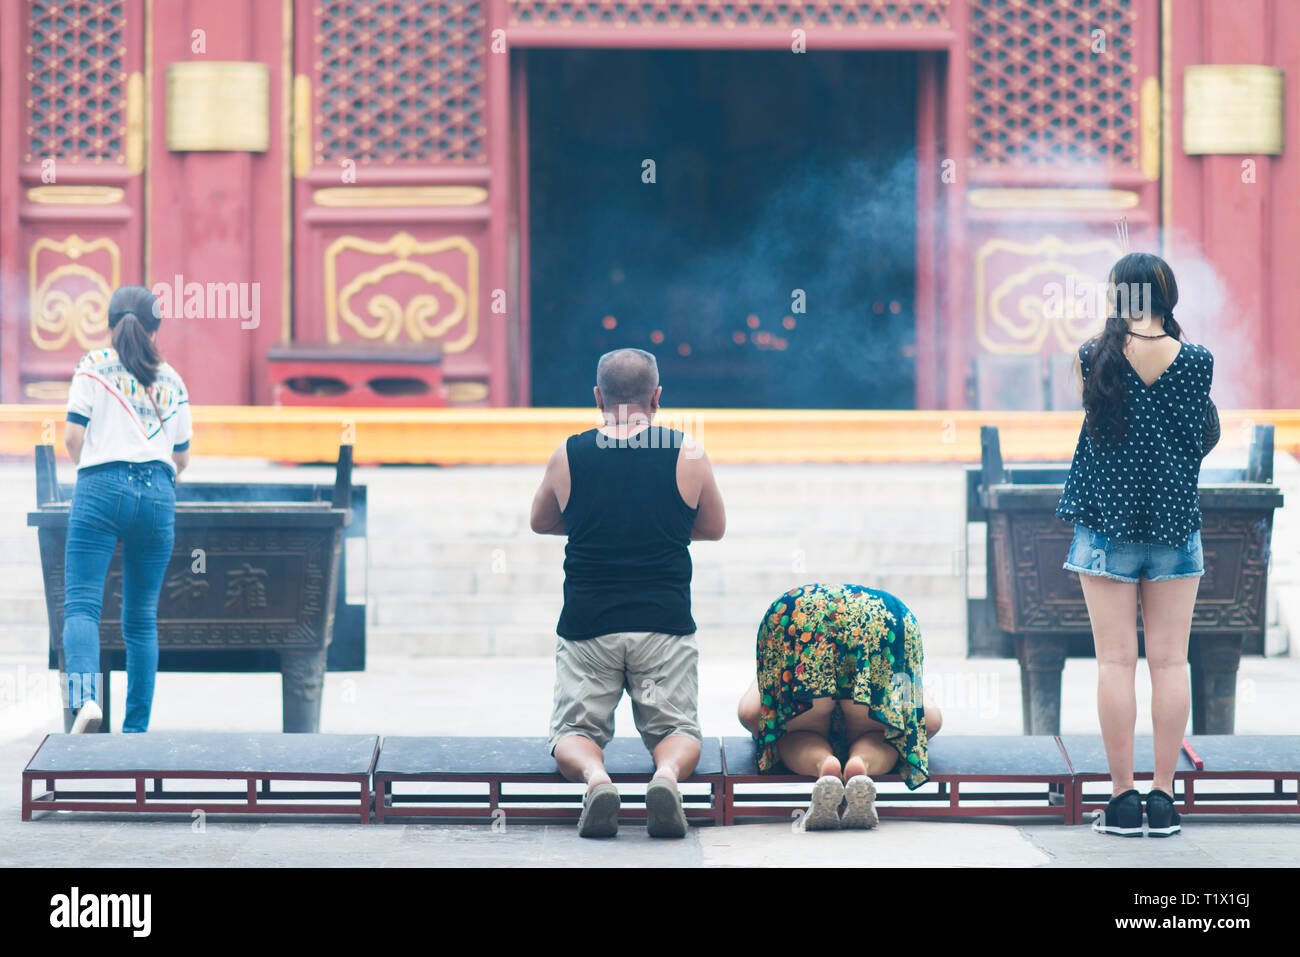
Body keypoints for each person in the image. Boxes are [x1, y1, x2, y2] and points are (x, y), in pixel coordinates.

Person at [530, 348, 725, 838]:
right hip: (663, 625)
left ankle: (596, 779)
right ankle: (666, 776)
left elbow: (541, 521)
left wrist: (593, 526)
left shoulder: (569, 453)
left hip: (589, 627)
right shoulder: (688, 451)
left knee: (573, 732)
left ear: (598, 397)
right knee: (677, 729)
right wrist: (663, 530)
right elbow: (714, 527)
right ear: (657, 398)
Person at [1056, 252, 1214, 837]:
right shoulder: (1199, 361)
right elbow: (1204, 432)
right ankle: (1164, 798)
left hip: (1106, 529)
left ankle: (1122, 800)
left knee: (1115, 663)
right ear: (1168, 295)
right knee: (1171, 662)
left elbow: (1094, 414)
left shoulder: (1090, 357)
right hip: (1175, 528)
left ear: (1116, 296)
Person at [61, 286, 192, 734]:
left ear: (111, 324)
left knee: (81, 605)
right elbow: (182, 458)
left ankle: (85, 702)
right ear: (155, 329)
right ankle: (135, 732)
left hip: (101, 486)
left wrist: (96, 473)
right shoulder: (173, 379)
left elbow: (73, 439)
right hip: (158, 494)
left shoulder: (92, 366)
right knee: (140, 619)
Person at [736, 583, 942, 829]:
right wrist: (913, 727)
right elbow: (929, 719)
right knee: (886, 735)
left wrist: (766, 719)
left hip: (803, 609)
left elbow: (750, 713)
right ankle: (859, 768)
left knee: (794, 734)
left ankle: (826, 767)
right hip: (877, 615)